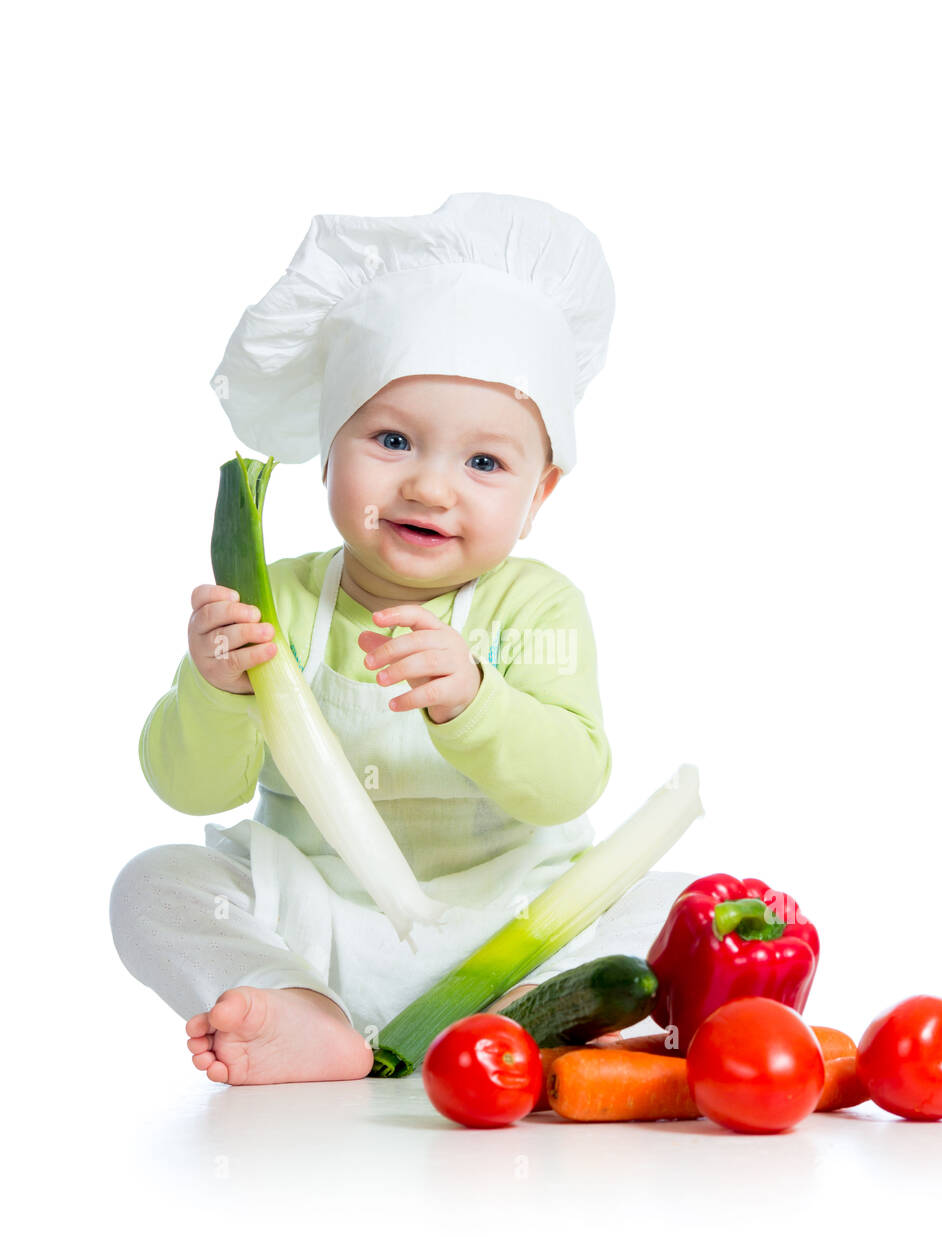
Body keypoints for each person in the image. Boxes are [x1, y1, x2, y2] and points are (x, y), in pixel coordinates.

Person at [109, 193, 698, 1084]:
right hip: (320, 921)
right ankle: (298, 1011)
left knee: (672, 902)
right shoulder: (280, 597)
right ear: (326, 452)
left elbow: (570, 782)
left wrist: (476, 702)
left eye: (485, 462)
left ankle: (527, 1018)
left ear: (540, 497)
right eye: (391, 439)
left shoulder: (535, 607)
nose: (430, 486)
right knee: (152, 884)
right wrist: (215, 687)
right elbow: (183, 784)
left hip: (516, 921)